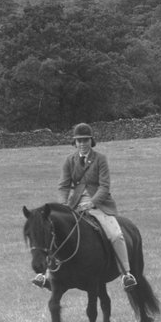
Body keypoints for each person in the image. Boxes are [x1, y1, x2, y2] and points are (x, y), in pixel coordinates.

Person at [38, 123, 136, 289]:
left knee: (116, 235)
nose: (82, 143)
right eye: (79, 141)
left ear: (91, 141)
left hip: (99, 205)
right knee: (54, 232)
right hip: (74, 206)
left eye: (85, 140)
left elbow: (105, 186)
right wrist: (63, 205)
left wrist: (92, 202)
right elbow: (63, 186)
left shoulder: (100, 159)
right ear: (74, 143)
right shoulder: (69, 161)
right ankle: (46, 274)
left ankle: (126, 274)